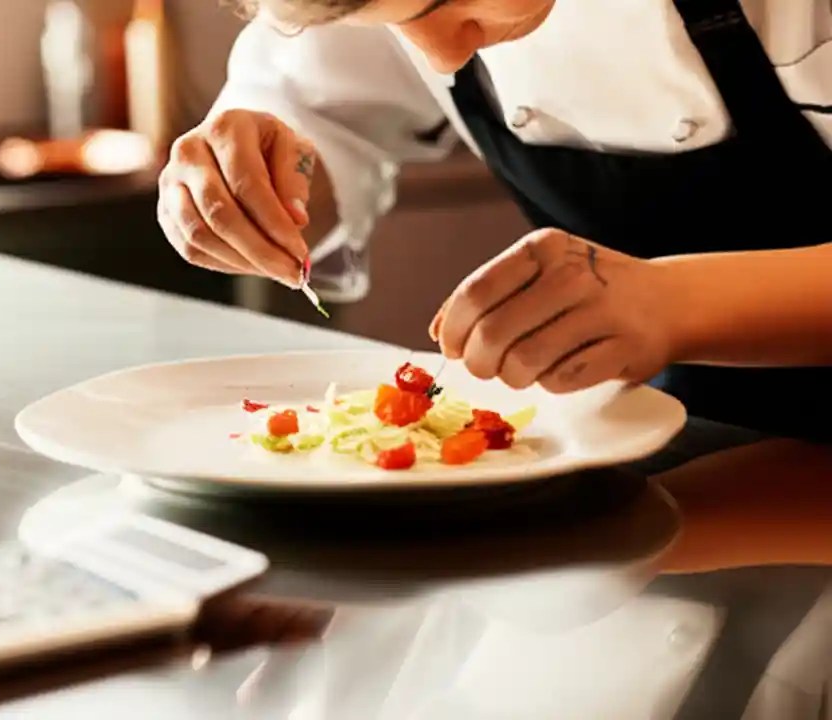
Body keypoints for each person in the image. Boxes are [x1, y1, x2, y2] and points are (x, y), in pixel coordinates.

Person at [155, 0, 832, 443]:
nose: (442, 57)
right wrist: (261, 177)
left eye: (445, 0)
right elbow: (320, 114)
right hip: (689, 459)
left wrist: (678, 304)